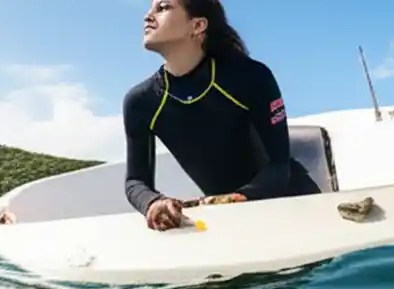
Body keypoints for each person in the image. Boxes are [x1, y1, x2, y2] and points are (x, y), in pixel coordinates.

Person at [124, 0, 321, 231]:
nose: (148, 16)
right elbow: (135, 181)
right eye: (150, 8)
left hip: (295, 207)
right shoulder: (140, 102)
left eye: (163, 7)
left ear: (197, 25)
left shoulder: (250, 77)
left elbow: (279, 165)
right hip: (227, 219)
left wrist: (239, 198)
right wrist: (153, 202)